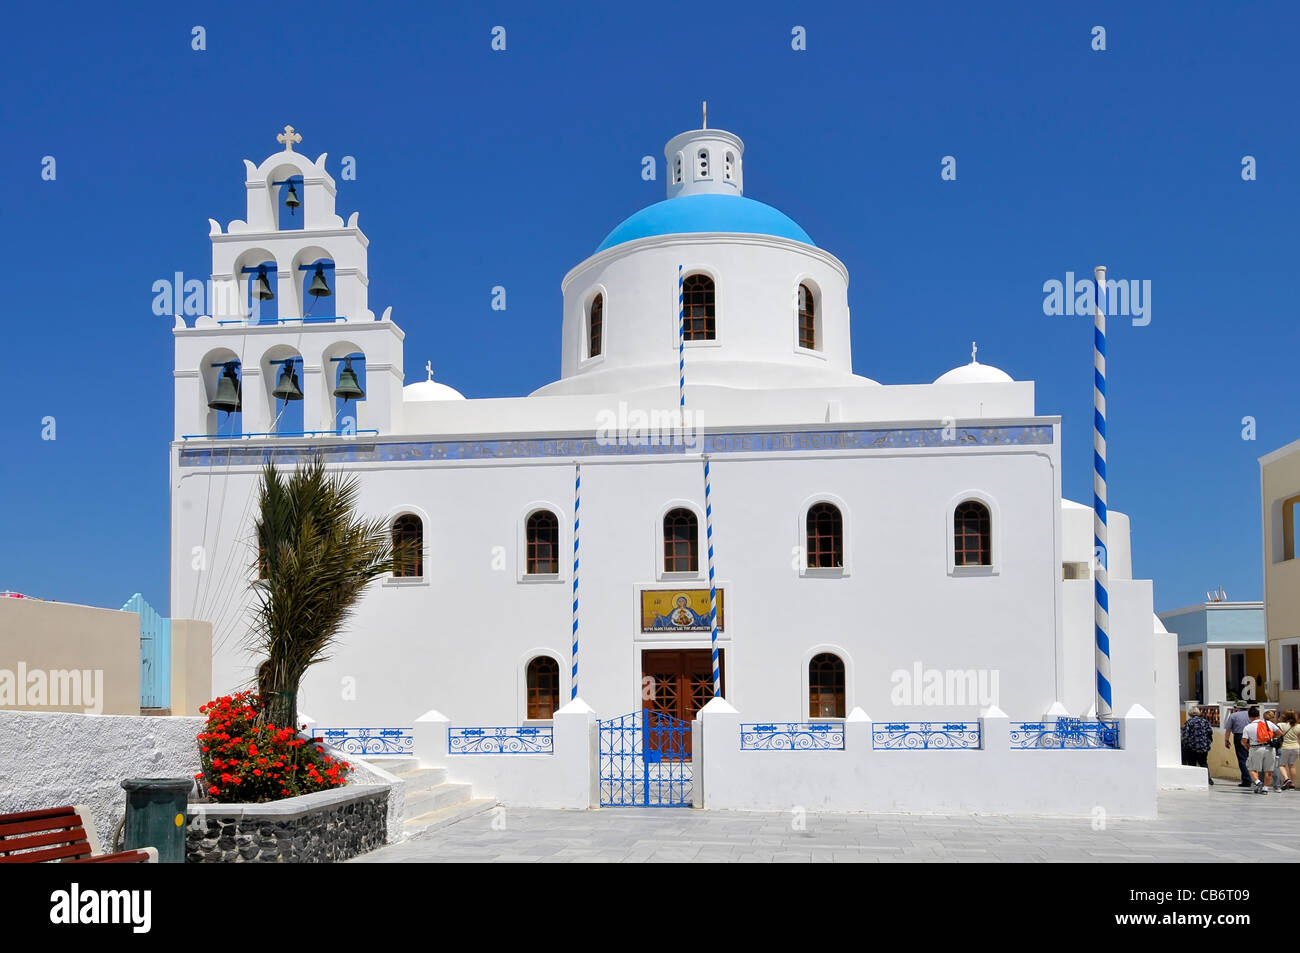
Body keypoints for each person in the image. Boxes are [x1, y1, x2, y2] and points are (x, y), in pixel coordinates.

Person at [1242, 706, 1280, 795]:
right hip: (1270, 749)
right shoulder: (1268, 723)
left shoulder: (1248, 727)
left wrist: (1247, 746)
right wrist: (1271, 738)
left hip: (1255, 748)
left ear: (1249, 716)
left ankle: (1258, 783)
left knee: (1252, 768)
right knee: (1268, 770)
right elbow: (1280, 733)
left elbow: (1244, 741)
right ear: (1259, 715)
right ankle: (1265, 789)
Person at [1180, 710, 1214, 785]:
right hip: (1203, 746)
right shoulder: (1205, 721)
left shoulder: (1189, 722)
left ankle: (1193, 779)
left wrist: (1185, 744)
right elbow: (1210, 732)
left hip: (1192, 746)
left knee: (1192, 764)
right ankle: (1208, 779)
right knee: (1203, 763)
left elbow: (1185, 734)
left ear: (1190, 714)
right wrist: (1207, 743)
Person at [1224, 702, 1253, 787]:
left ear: (1238, 708)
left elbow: (1228, 729)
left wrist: (1226, 740)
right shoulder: (1251, 715)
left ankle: (1247, 780)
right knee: (1251, 758)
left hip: (1239, 736)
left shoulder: (1233, 716)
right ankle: (1253, 778)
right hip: (1251, 737)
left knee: (1242, 758)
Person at [1277, 710, 1299, 791]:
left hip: (1284, 747)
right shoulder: (1298, 726)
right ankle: (1292, 784)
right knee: (1292, 765)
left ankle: (1286, 779)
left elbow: (1277, 735)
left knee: (1281, 765)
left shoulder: (1280, 725)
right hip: (1296, 747)